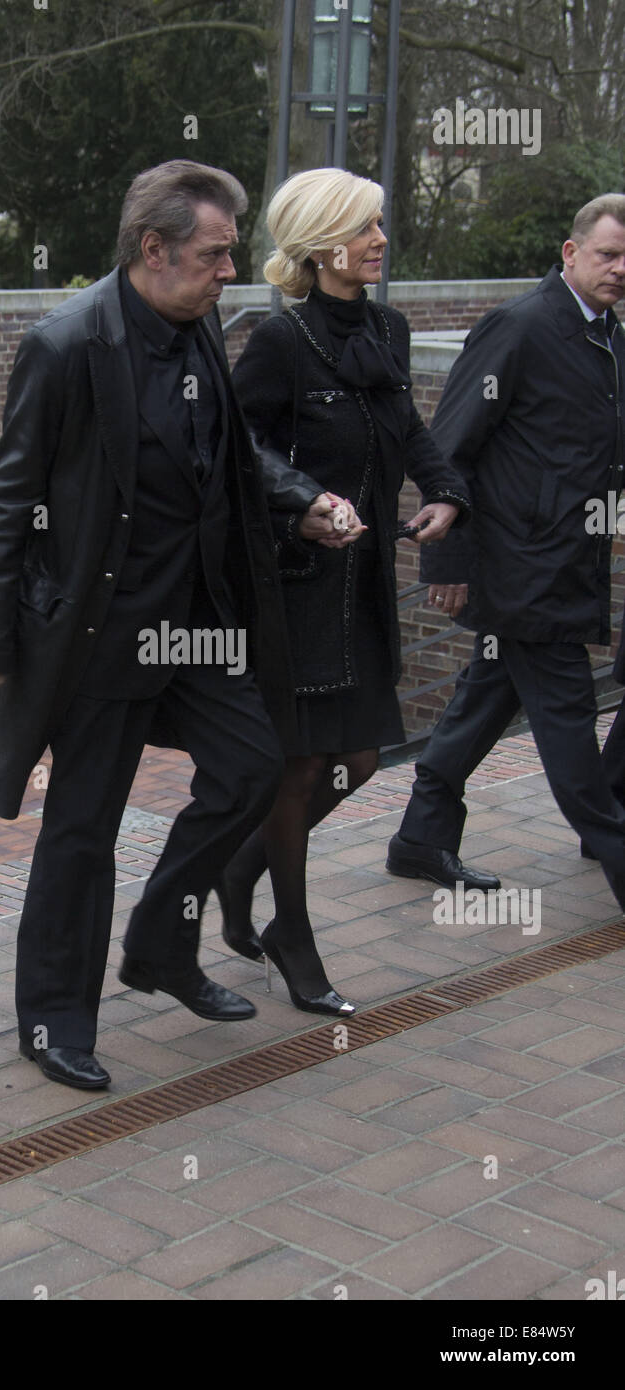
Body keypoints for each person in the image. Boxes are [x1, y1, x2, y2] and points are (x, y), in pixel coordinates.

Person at [0, 160, 348, 1091]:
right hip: (98, 635)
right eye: (213, 255)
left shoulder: (197, 322)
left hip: (197, 625)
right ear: (152, 248)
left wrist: (300, 502)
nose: (228, 273)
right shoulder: (67, 346)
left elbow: (232, 449)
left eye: (231, 256)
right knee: (82, 831)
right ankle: (52, 1022)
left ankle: (161, 941)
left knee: (254, 765)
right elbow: (7, 501)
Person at [217, 167, 470, 1015]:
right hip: (297, 586)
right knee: (300, 767)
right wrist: (307, 503)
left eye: (380, 227)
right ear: (326, 240)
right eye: (366, 227)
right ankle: (292, 929)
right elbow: (239, 447)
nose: (380, 241)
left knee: (359, 760)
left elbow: (408, 428)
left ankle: (243, 865)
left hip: (364, 585)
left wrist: (443, 492)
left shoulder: (389, 330)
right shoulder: (283, 342)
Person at [387, 194, 625, 910]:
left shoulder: (610, 338)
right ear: (570, 252)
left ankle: (420, 838)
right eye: (609, 254)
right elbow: (447, 451)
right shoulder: (518, 329)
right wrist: (446, 561)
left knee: (489, 698)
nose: (620, 269)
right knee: (570, 720)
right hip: (522, 570)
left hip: (569, 563)